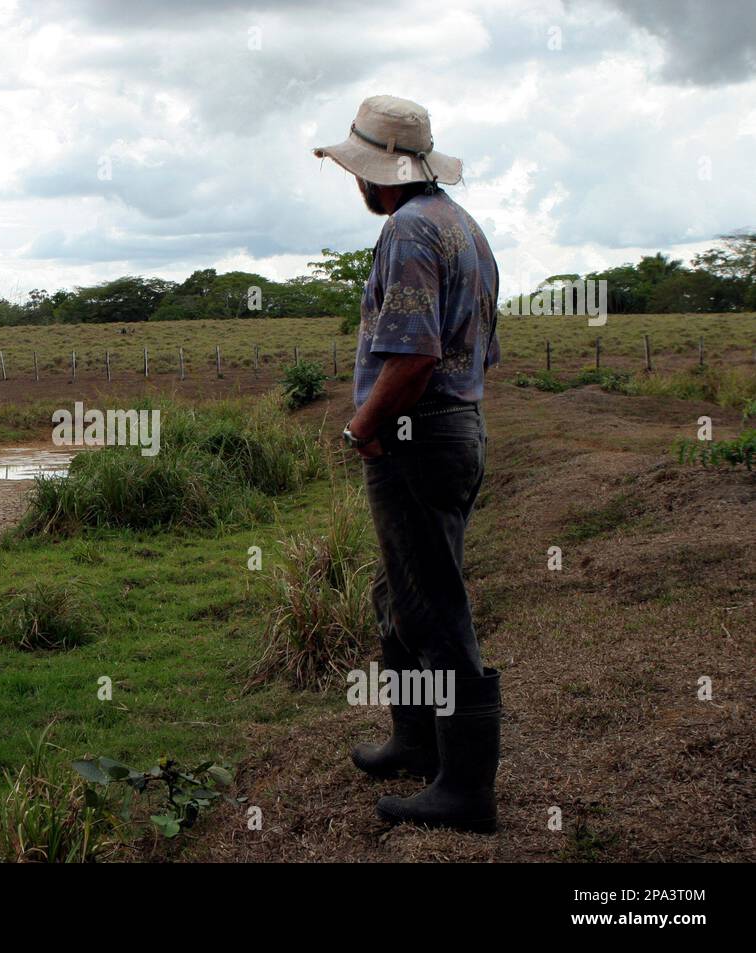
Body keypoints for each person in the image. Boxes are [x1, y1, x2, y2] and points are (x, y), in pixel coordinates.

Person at [313, 95, 502, 833]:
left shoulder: (407, 231)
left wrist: (363, 424)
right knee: (400, 594)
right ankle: (417, 740)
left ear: (375, 171)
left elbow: (415, 355)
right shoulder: (461, 224)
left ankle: (464, 788)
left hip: (416, 435)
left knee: (436, 608)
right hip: (455, 427)